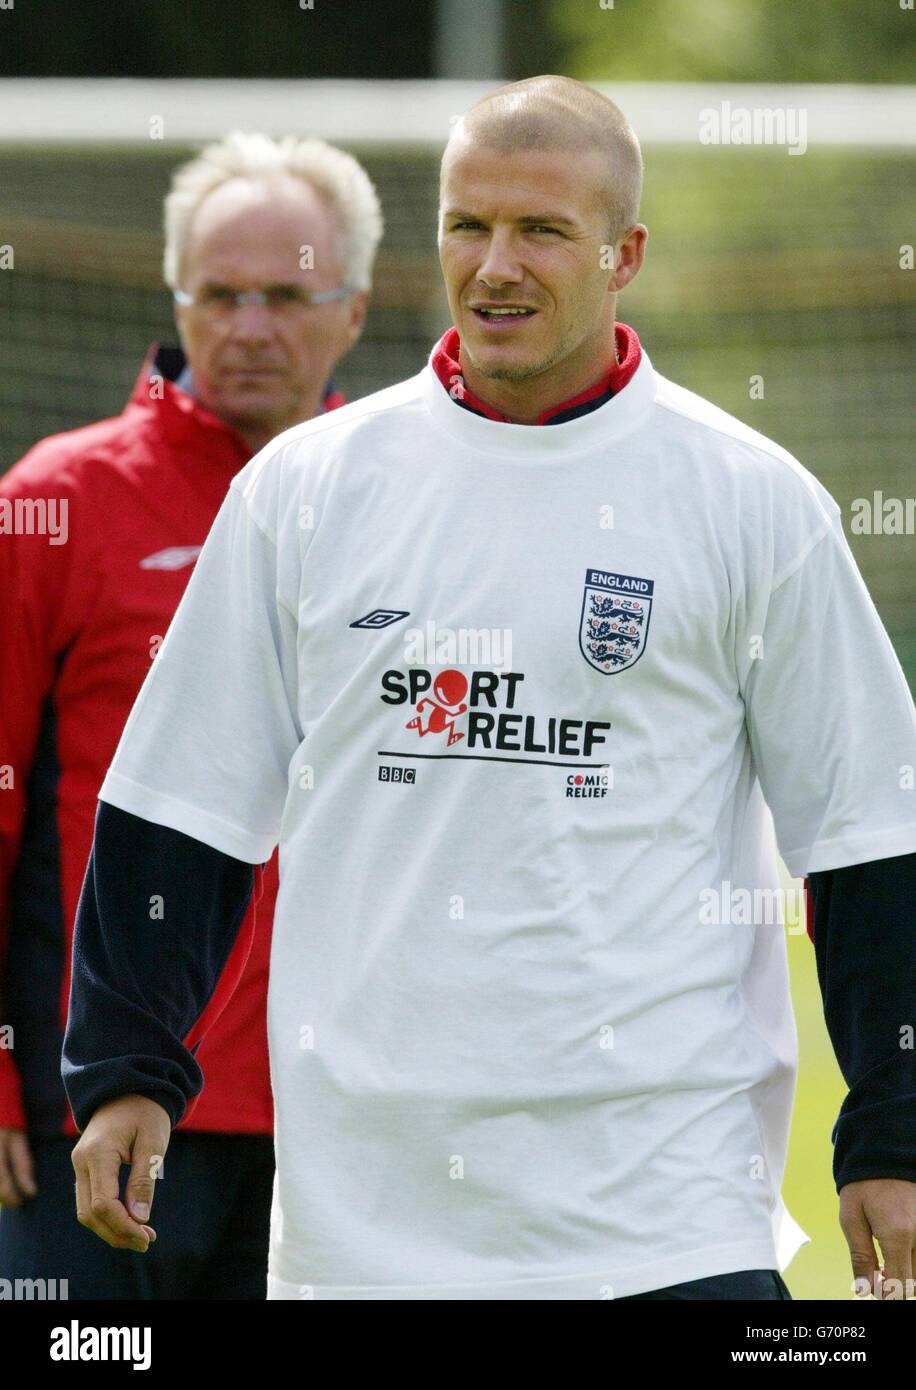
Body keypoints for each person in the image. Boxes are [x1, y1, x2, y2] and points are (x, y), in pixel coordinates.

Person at [62, 77, 915, 1301]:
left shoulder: (753, 501)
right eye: (469, 225)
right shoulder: (308, 489)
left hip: (666, 1222)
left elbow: (870, 840)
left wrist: (894, 1129)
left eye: (543, 231)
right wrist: (129, 1065)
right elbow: (181, 804)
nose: (496, 265)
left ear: (623, 254)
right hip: (365, 1236)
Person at [0, 129, 381, 1298]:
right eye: (221, 294)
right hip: (102, 1107)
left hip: (354, 1116)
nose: (251, 326)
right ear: (178, 298)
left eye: (287, 293)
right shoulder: (54, 503)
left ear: (354, 308)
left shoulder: (407, 507)